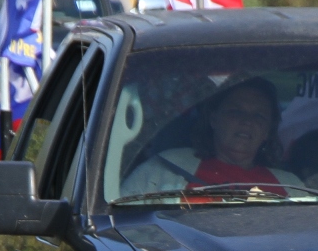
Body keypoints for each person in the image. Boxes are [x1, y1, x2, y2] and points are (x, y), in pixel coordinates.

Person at [119, 78, 304, 197]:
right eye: (236, 111)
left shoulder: (291, 186)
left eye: (258, 116)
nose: (247, 121)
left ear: (268, 131)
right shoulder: (164, 168)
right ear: (214, 119)